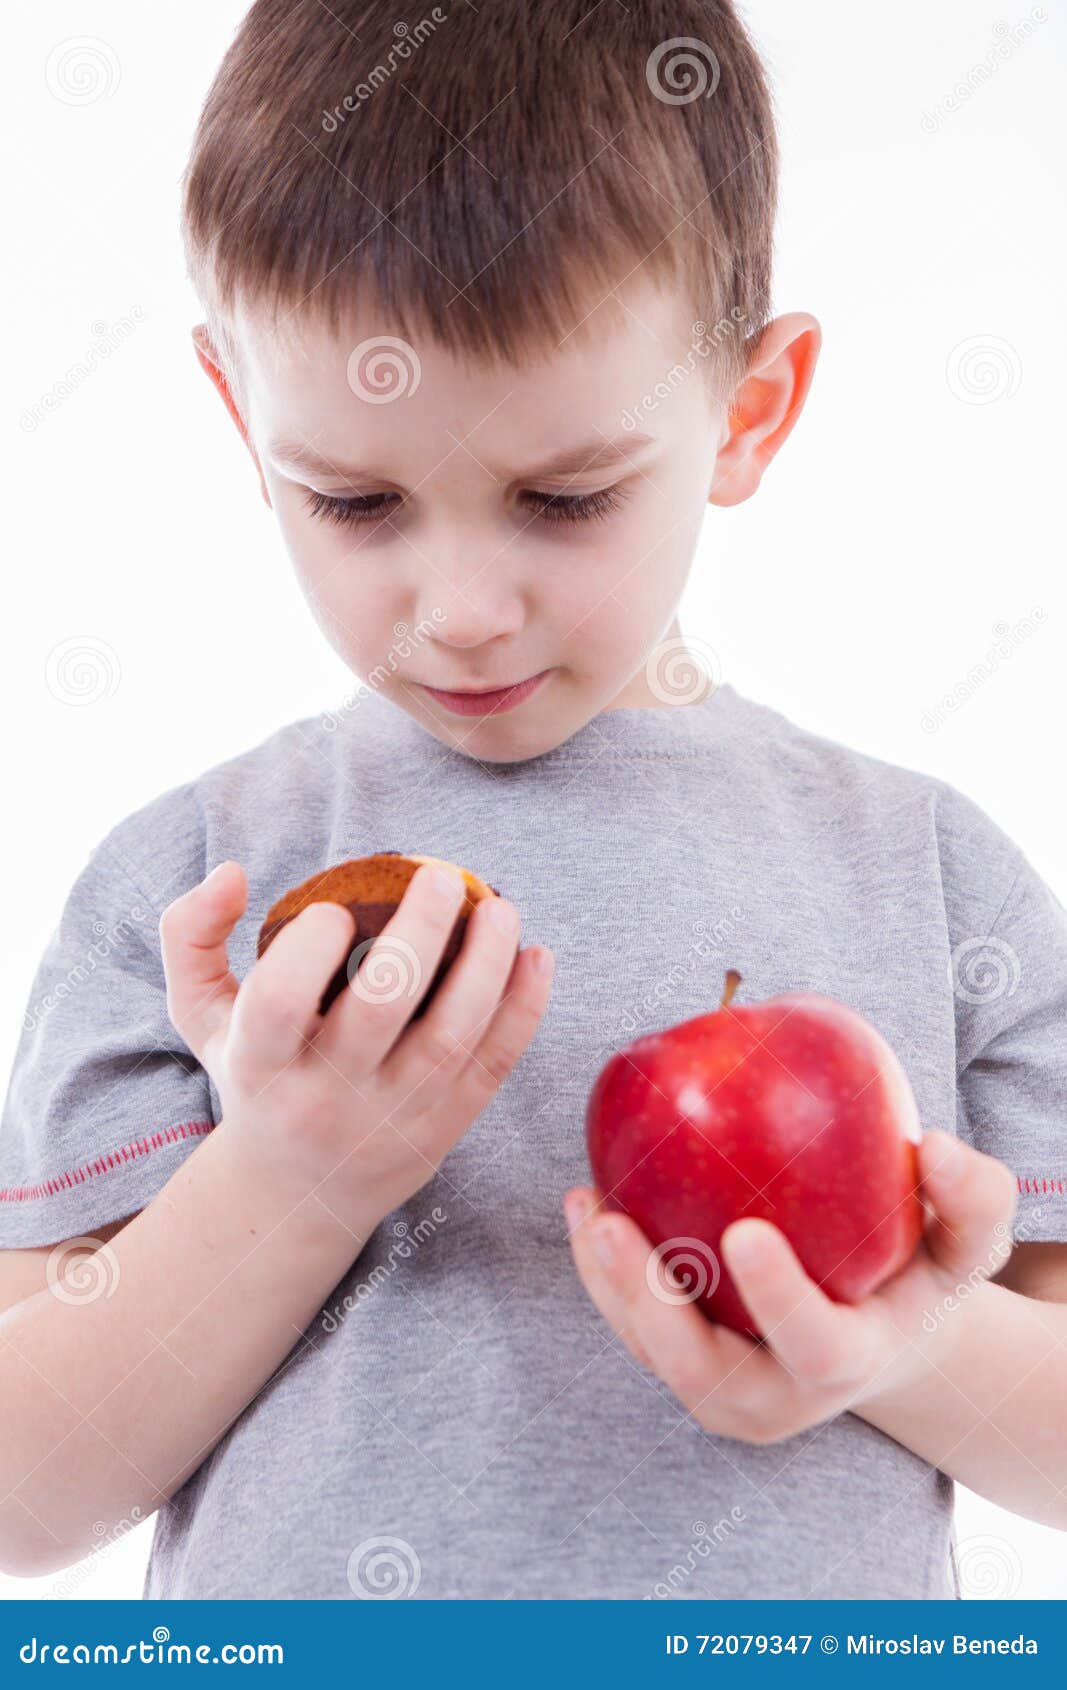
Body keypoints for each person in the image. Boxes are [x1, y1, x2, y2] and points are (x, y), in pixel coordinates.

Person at [1, 0, 1064, 1601]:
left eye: (562, 497)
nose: (465, 609)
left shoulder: (927, 873)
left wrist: (897, 1340)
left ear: (752, 413)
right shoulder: (195, 888)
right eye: (356, 499)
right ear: (245, 423)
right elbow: (23, 1498)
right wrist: (286, 1178)